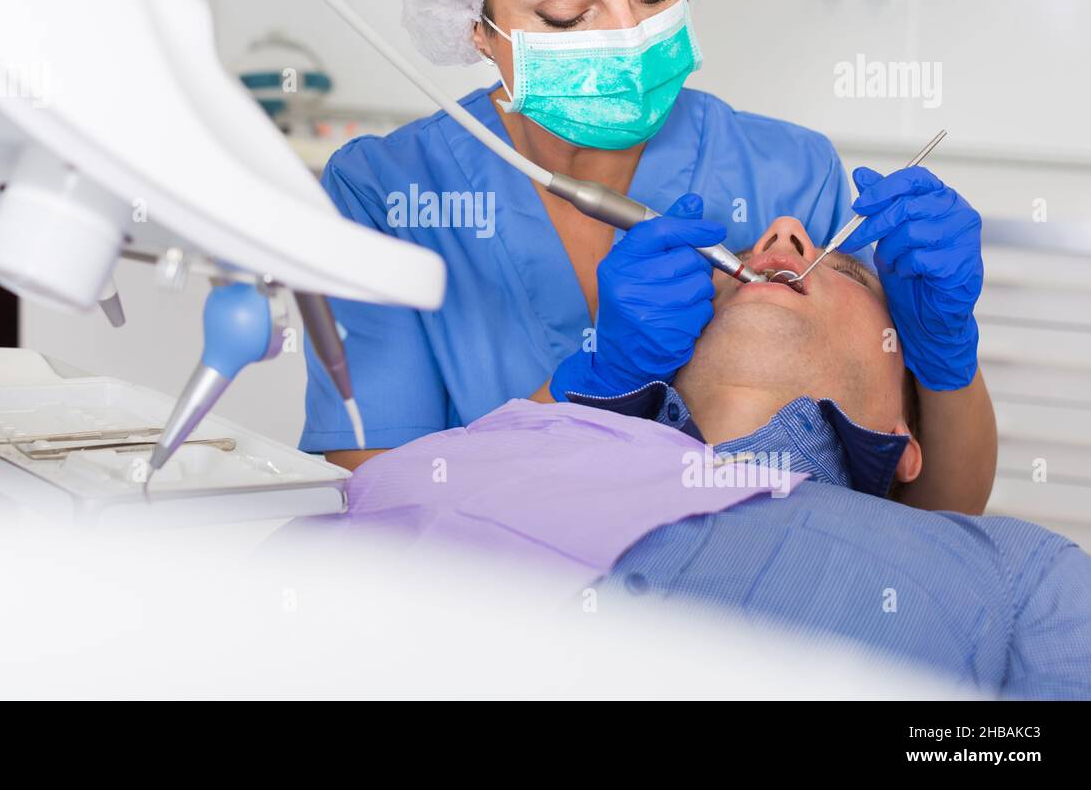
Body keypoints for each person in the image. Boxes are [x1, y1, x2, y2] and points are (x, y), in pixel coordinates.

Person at [302, 0, 995, 513]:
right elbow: (374, 505)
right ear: (476, 26)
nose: (628, 34)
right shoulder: (389, 193)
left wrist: (945, 354)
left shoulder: (789, 172)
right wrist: (592, 383)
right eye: (568, 14)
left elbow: (931, 512)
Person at [292, 217, 1091, 699]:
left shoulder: (1021, 574)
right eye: (742, 256)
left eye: (843, 266)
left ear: (903, 439)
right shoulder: (464, 459)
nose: (784, 238)